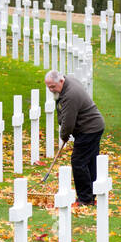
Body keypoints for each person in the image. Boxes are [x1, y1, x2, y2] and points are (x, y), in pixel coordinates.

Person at [44, 69, 104, 206]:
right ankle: (91, 194)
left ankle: (85, 198)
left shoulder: (70, 94)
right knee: (90, 162)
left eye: (53, 86)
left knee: (78, 162)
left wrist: (64, 136)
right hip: (92, 127)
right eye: (48, 87)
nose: (51, 89)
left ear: (61, 80)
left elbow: (68, 121)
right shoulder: (65, 85)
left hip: (89, 129)